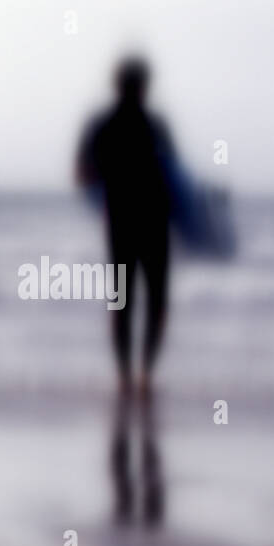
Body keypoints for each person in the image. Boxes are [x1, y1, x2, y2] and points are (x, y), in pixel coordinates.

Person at [76, 57, 176, 395]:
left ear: (116, 84)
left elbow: (83, 173)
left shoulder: (103, 126)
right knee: (155, 302)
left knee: (123, 303)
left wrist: (108, 181)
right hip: (154, 225)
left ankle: (125, 378)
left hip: (121, 223)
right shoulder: (154, 125)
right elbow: (175, 177)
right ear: (144, 86)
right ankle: (144, 375)